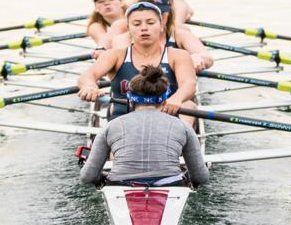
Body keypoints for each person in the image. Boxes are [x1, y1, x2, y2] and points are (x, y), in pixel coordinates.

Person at [77, 0, 199, 129]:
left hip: (166, 122)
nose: (144, 28)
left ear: (162, 25)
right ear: (128, 28)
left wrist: (177, 98)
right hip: (122, 123)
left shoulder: (178, 55)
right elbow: (88, 75)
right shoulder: (115, 55)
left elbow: (189, 83)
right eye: (136, 24)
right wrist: (90, 86)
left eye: (151, 23)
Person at [79, 64, 208, 188]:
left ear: (131, 100)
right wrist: (185, 176)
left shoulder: (111, 126)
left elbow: (87, 177)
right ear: (164, 100)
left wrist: (102, 178)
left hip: (119, 184)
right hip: (170, 184)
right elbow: (201, 178)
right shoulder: (183, 127)